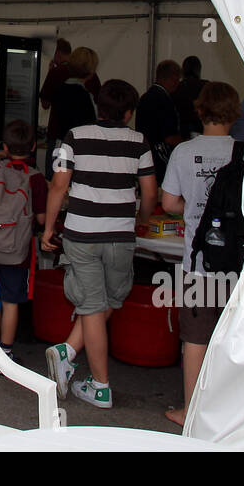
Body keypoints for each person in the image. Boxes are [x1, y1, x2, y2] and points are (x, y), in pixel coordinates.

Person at [42, 80, 157, 410]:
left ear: (98, 106)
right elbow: (149, 192)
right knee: (106, 303)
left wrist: (49, 228)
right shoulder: (140, 142)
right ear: (129, 112)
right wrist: (143, 220)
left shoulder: (74, 137)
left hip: (82, 234)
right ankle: (93, 377)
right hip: (121, 235)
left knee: (96, 304)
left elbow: (58, 186)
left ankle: (86, 371)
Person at [160, 81, 242, 427]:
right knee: (237, 339)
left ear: (199, 110)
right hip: (240, 263)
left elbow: (168, 203)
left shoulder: (182, 152)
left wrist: (193, 211)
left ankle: (191, 412)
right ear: (235, 114)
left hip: (199, 262)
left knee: (195, 338)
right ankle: (234, 412)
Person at [0, 119, 47, 372]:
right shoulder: (36, 179)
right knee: (9, 301)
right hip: (17, 252)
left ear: (5, 145)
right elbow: (40, 218)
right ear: (34, 146)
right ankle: (4, 353)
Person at [44, 46, 99, 179]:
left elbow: (45, 103)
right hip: (78, 150)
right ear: (91, 71)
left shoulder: (60, 89)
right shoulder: (85, 95)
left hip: (59, 144)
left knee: (56, 182)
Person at [136, 59, 185, 179]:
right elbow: (169, 137)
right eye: (177, 79)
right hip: (160, 157)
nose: (178, 83)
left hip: (144, 155)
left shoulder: (145, 97)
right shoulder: (164, 101)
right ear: (172, 78)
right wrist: (188, 142)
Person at [172, 55, 207, 137]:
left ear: (183, 70)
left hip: (180, 131)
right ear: (198, 70)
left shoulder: (176, 87)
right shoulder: (206, 87)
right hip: (202, 129)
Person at [38, 38, 73, 112]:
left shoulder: (56, 72)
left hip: (60, 121)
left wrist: (50, 72)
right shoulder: (84, 71)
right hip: (83, 122)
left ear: (57, 53)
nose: (51, 58)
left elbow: (45, 104)